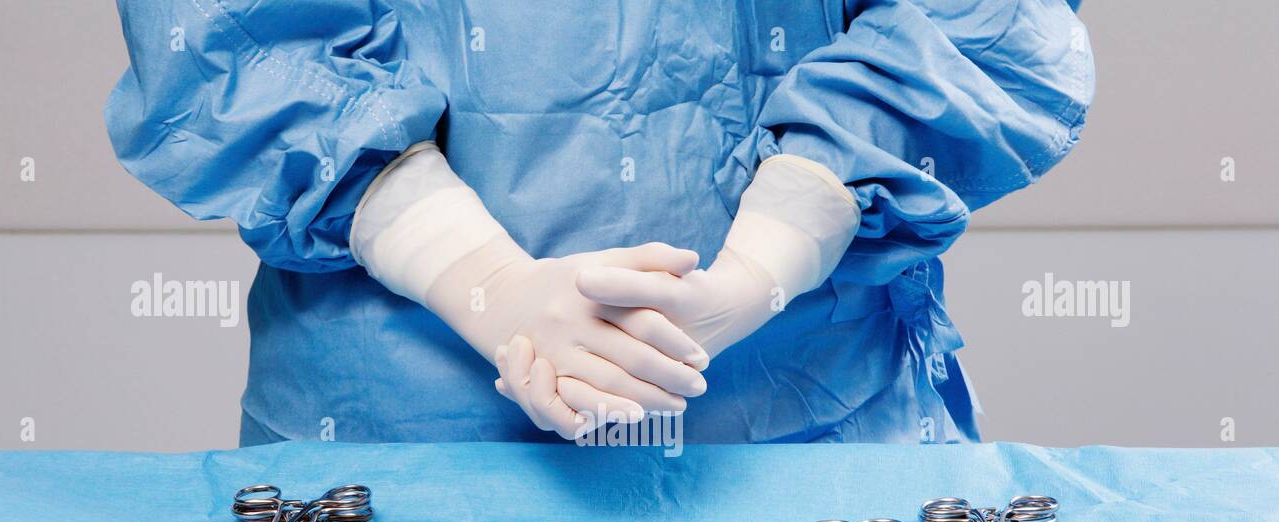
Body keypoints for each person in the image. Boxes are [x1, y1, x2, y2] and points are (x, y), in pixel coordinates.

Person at [107, 0, 1093, 445]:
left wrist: (772, 255)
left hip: (808, 424)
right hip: (394, 440)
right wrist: (469, 274)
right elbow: (231, 33)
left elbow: (973, 16)